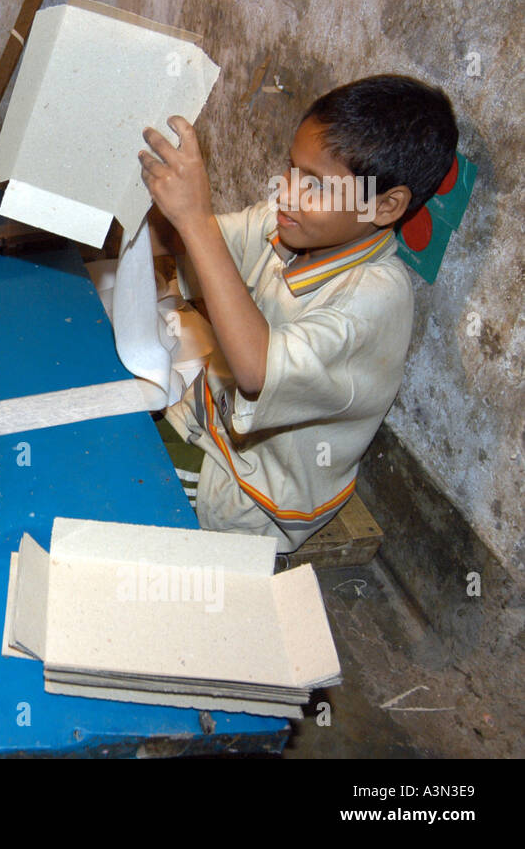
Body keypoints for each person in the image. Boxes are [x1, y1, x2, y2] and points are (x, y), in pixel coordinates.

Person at [137, 75, 458, 552]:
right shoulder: (288, 228)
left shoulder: (373, 299)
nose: (288, 193)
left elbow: (256, 373)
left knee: (109, 486)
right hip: (205, 425)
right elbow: (190, 247)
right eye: (292, 169)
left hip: (252, 491)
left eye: (318, 186)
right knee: (105, 434)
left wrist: (196, 220)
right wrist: (163, 204)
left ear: (386, 206)